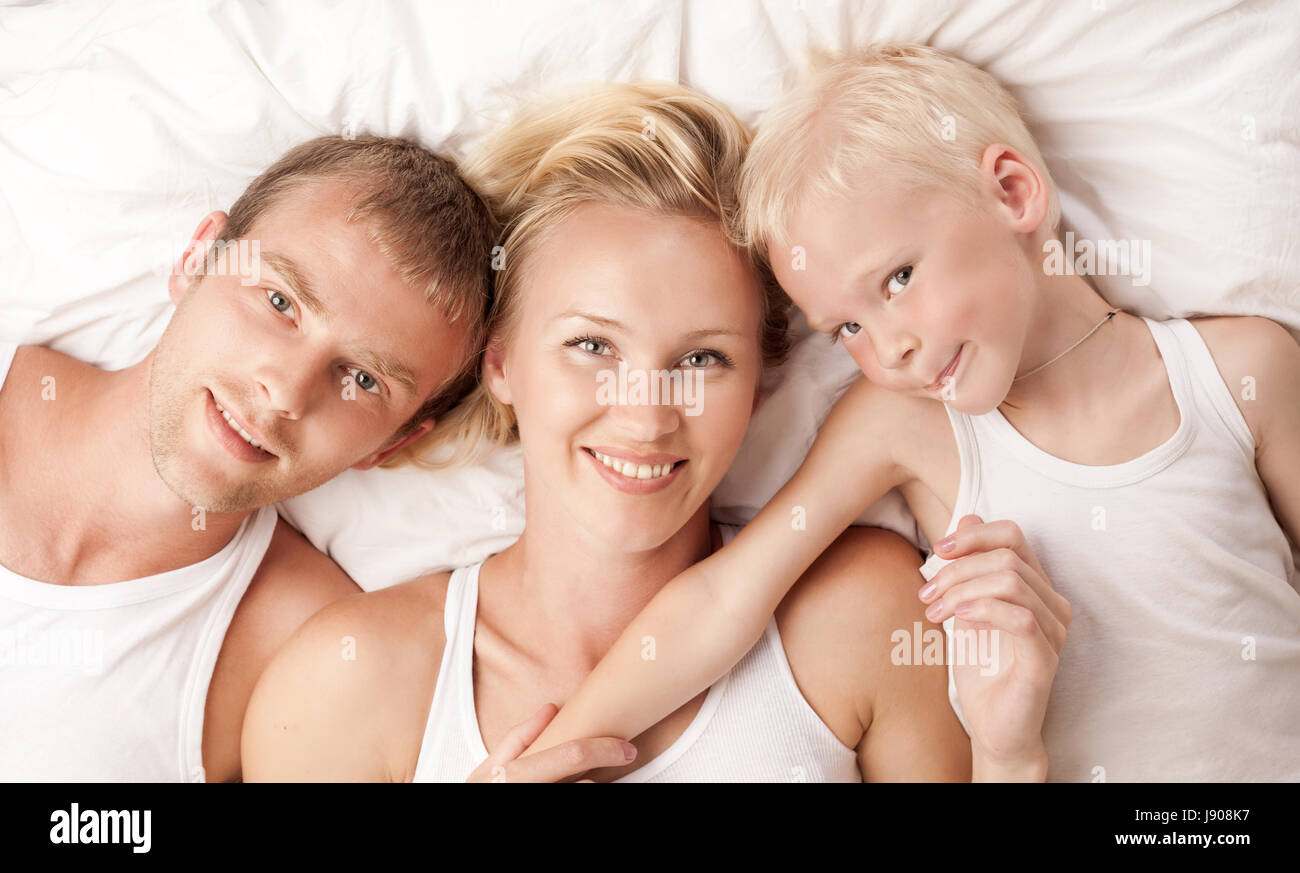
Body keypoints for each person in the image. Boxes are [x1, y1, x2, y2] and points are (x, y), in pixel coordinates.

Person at [520, 45, 1300, 782]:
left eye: (896, 278)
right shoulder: (902, 424)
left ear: (1014, 193)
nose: (887, 349)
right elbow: (726, 597)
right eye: (847, 329)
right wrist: (548, 759)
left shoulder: (1239, 373)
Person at [242, 81, 1061, 782]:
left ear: (758, 384)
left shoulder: (866, 615)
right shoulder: (341, 689)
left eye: (703, 358)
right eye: (592, 345)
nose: (645, 413)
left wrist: (1013, 760)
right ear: (501, 365)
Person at [0, 134, 496, 781]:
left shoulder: (313, 653)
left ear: (391, 443)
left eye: (364, 379)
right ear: (199, 255)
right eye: (280, 301)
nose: (285, 391)